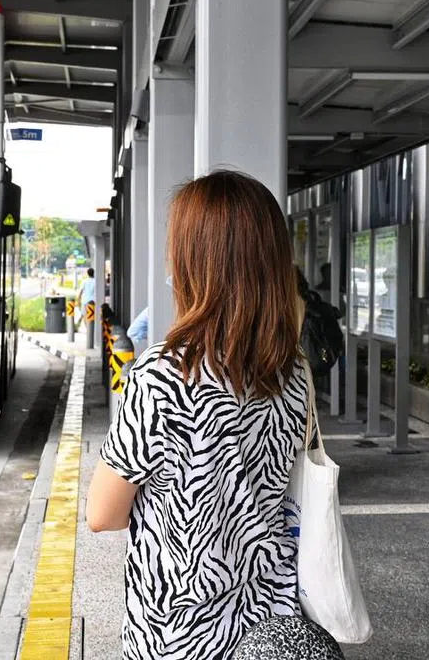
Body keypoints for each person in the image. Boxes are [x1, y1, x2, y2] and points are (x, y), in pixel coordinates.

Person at [86, 170, 308, 659]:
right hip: (272, 625)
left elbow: (102, 514)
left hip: (179, 634)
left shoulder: (163, 375)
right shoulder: (292, 373)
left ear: (195, 262)